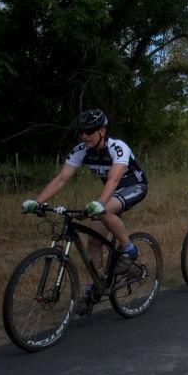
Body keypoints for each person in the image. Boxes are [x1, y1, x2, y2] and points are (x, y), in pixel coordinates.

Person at [21, 109, 148, 273]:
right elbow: (62, 178)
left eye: (89, 132)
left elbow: (114, 179)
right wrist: (38, 202)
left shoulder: (117, 147)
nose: (84, 136)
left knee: (104, 211)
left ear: (102, 131)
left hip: (134, 186)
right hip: (112, 191)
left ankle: (130, 250)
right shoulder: (81, 150)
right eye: (81, 132)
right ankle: (94, 288)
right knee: (94, 241)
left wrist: (100, 203)